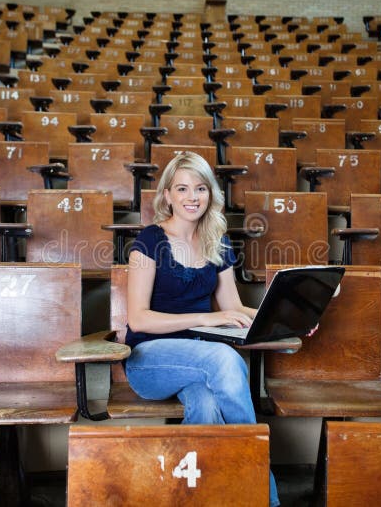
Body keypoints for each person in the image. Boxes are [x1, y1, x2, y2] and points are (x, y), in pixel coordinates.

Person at [125, 151, 280, 506]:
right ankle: (262, 490)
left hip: (200, 361)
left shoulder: (217, 241)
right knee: (224, 359)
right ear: (167, 195)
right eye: (182, 188)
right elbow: (138, 319)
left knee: (208, 408)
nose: (191, 197)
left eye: (200, 188)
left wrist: (287, 319)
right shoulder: (149, 240)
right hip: (150, 360)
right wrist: (204, 318)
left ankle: (200, 498)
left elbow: (233, 309)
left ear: (211, 194)